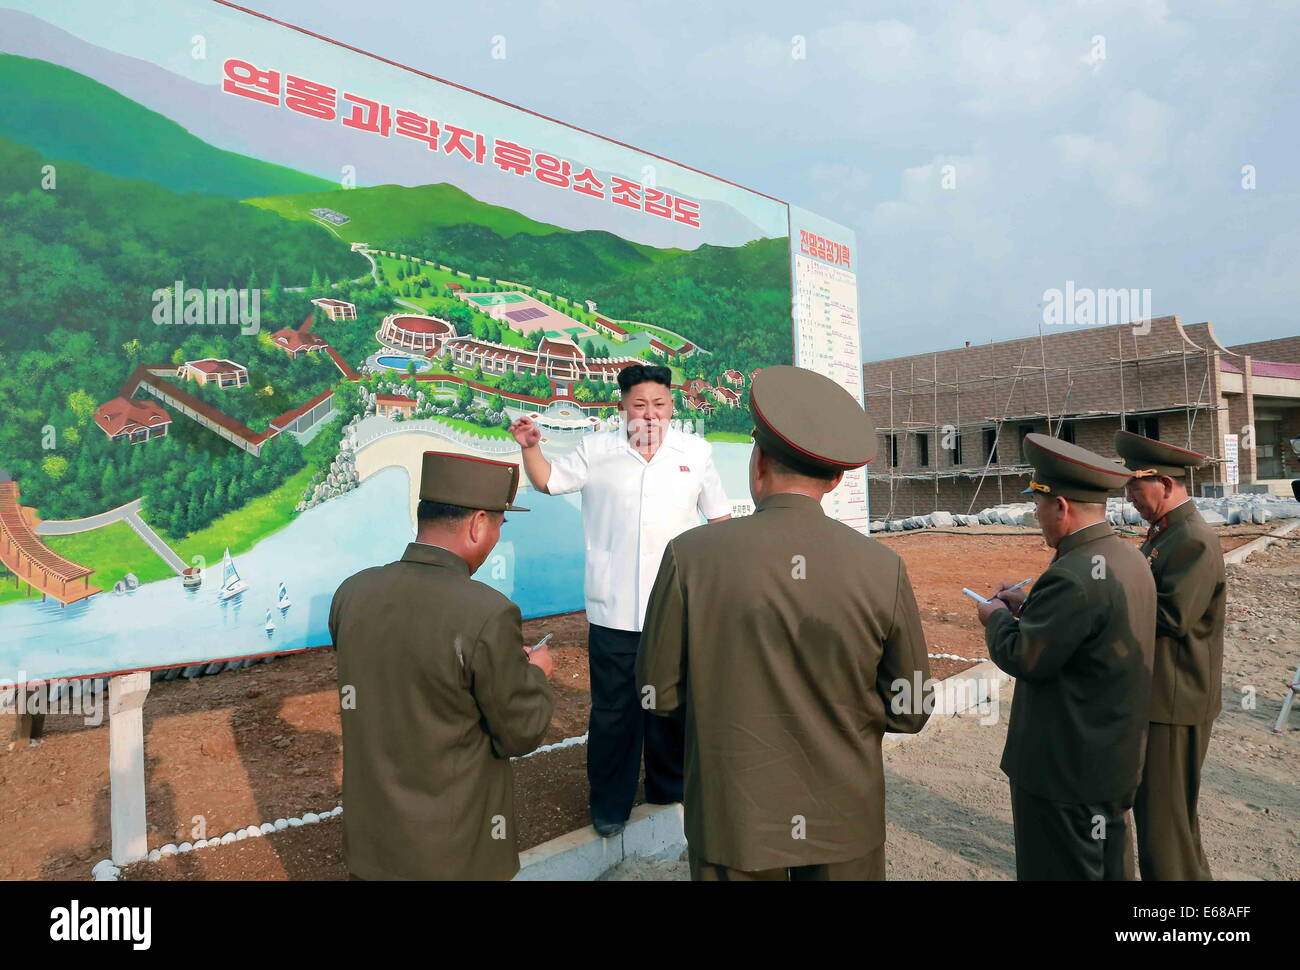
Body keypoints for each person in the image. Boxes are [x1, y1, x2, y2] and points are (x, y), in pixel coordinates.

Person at [637, 365, 932, 881]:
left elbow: (658, 693)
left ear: (758, 462)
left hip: (734, 817)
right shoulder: (882, 567)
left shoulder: (691, 556)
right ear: (837, 479)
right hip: (845, 818)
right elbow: (910, 710)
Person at [509, 364, 730, 837]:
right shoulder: (596, 451)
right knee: (614, 713)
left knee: (671, 706)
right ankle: (609, 804)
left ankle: (669, 793)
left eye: (660, 405)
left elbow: (719, 522)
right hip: (614, 609)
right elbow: (548, 481)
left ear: (672, 406)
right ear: (622, 408)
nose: (650, 415)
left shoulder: (696, 452)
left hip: (676, 609)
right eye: (639, 405)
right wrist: (531, 446)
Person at [329, 451, 555, 880]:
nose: (496, 540)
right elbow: (519, 731)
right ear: (477, 525)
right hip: (454, 857)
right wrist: (535, 673)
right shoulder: (489, 613)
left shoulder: (353, 593)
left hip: (373, 847)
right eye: (498, 526)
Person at [975, 433, 1155, 881]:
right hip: (1107, 759)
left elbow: (1025, 657)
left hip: (1064, 771)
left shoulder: (1074, 572)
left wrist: (995, 617)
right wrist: (1028, 609)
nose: (1035, 515)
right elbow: (1082, 635)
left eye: (1038, 504)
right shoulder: (1124, 556)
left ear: (1060, 505)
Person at [1115, 430, 1225, 881]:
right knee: (1168, 816)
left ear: (1162, 482)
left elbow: (1171, 616)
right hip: (1163, 696)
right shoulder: (1167, 532)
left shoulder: (1192, 539)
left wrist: (1105, 600)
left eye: (1136, 489)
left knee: (1164, 820)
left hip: (1176, 701)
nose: (1131, 499)